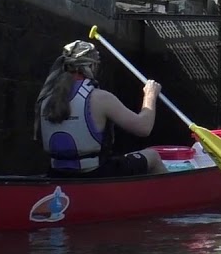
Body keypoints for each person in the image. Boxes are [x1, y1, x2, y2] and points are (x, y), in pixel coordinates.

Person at [34, 40, 167, 177]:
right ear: (92, 66)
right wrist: (150, 94)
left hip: (55, 173)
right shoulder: (99, 98)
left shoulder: (45, 97)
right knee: (153, 156)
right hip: (95, 173)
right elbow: (144, 128)